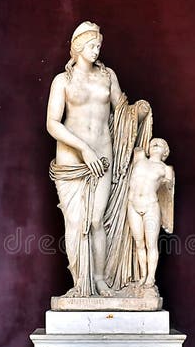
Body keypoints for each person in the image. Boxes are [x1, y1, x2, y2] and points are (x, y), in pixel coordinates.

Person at [46, 22, 151, 297]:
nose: (97, 51)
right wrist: (83, 148)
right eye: (92, 46)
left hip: (103, 157)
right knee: (76, 222)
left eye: (99, 46)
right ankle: (80, 284)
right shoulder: (63, 81)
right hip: (72, 160)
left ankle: (100, 279)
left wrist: (138, 111)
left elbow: (122, 113)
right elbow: (52, 123)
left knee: (95, 220)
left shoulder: (107, 76)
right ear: (79, 47)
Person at [127, 138, 174, 288]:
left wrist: (167, 182)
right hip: (132, 204)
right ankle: (142, 276)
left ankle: (150, 278)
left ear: (165, 151)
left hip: (151, 206)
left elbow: (169, 188)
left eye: (160, 144)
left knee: (151, 243)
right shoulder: (139, 159)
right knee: (139, 243)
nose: (156, 144)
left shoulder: (166, 168)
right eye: (153, 142)